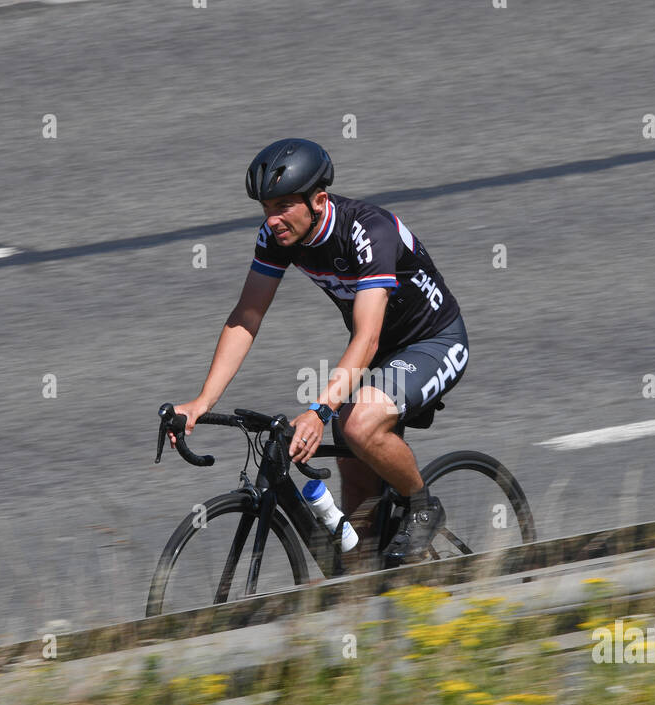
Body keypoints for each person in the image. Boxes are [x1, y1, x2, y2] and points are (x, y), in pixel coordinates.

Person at [171, 138, 469, 564]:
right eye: (265, 208)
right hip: (384, 352)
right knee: (355, 489)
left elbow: (366, 338)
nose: (272, 220)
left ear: (319, 200)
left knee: (356, 424)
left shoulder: (368, 231)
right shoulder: (279, 236)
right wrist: (202, 402)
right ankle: (368, 580)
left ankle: (423, 505)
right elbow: (247, 316)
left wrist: (319, 410)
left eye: (282, 206)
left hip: (434, 341)